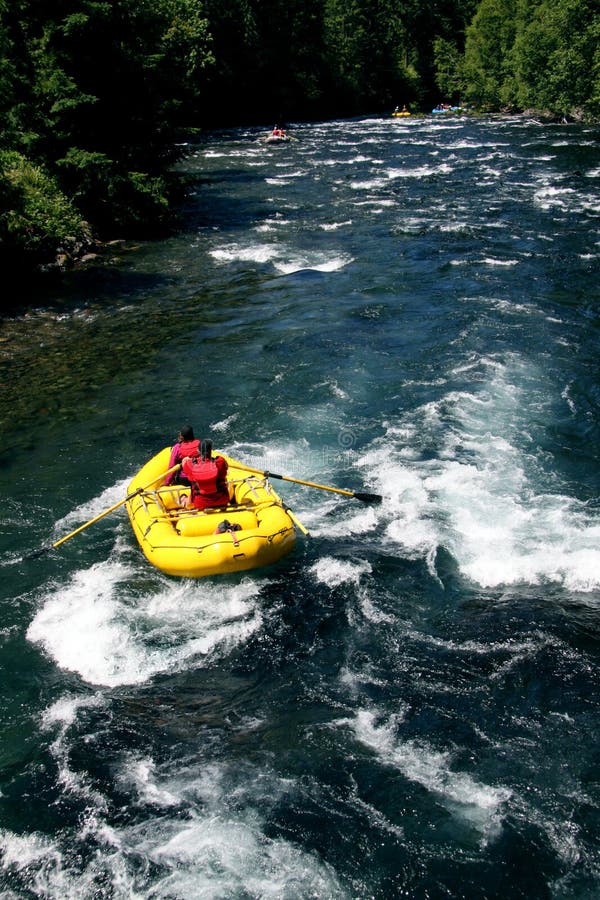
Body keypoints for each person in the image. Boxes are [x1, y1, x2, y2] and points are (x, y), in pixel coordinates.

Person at [181, 439, 230, 509]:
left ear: (198, 451)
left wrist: (185, 460)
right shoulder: (220, 462)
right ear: (211, 450)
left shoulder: (189, 464)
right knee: (226, 481)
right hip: (222, 500)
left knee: (183, 497)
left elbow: (185, 467)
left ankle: (183, 500)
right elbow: (226, 467)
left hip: (200, 503)